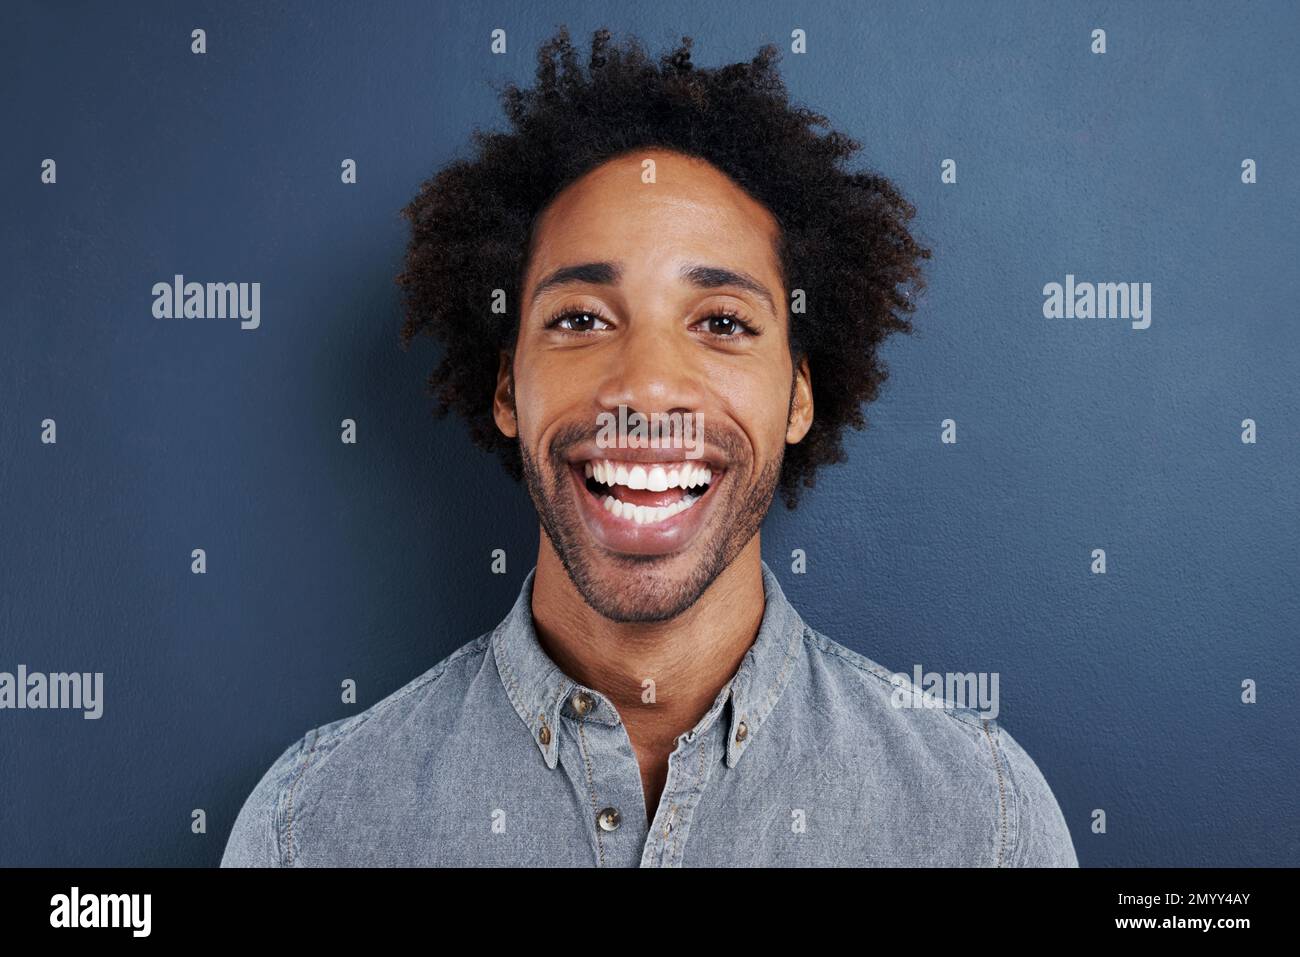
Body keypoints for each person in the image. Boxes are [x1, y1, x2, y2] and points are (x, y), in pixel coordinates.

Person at [221, 26, 1077, 867]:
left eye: (721, 323)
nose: (646, 386)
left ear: (799, 394)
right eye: (581, 318)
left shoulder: (984, 823)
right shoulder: (311, 830)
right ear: (506, 387)